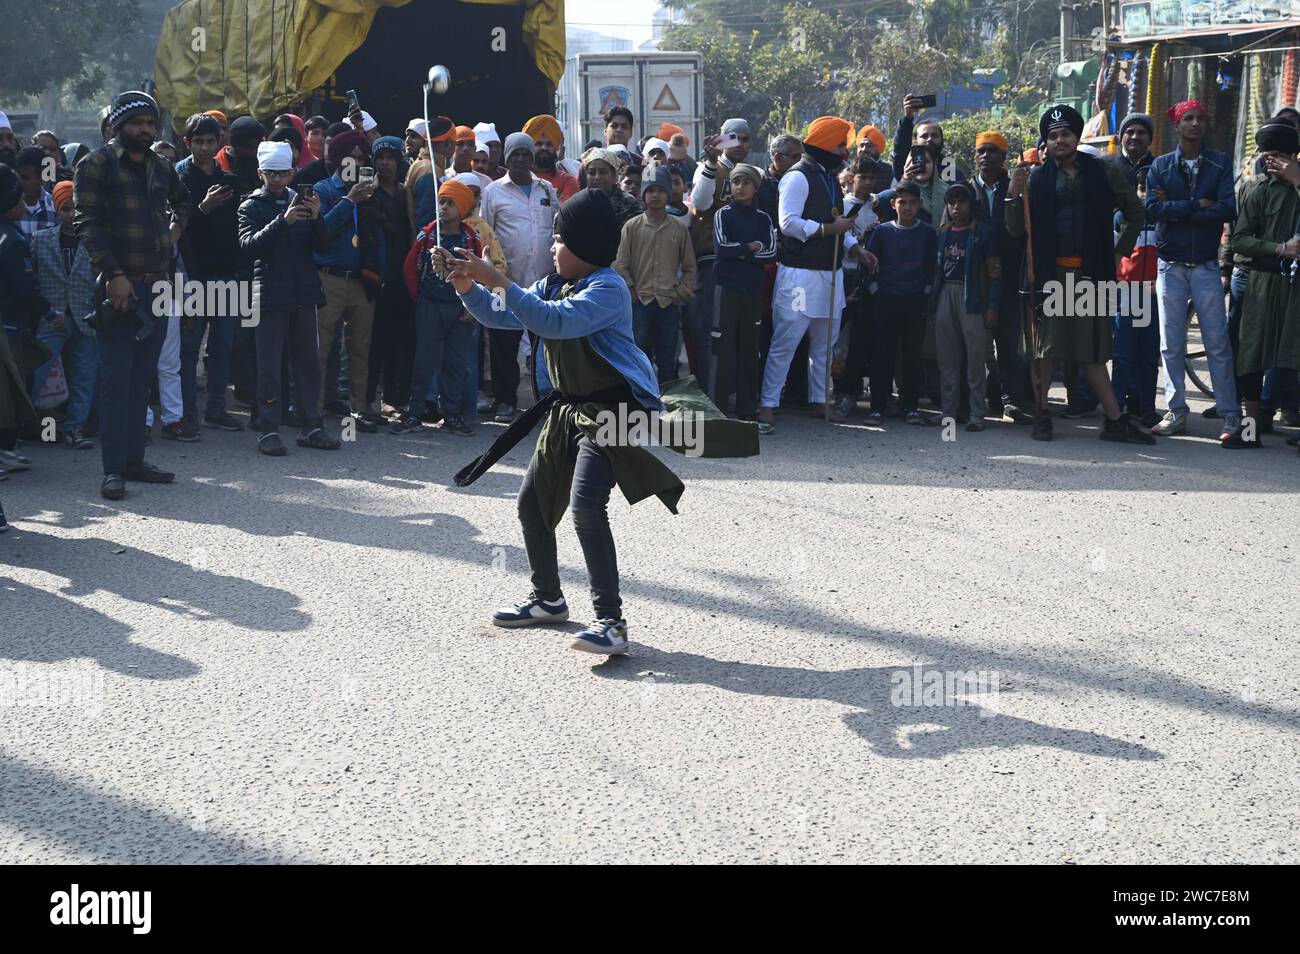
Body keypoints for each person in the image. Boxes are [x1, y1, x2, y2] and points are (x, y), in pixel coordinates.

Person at [443, 187, 756, 654]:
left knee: (587, 506)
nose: (552, 247)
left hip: (612, 413)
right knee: (532, 504)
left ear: (585, 246)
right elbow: (508, 316)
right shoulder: (552, 283)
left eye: (559, 239)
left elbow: (553, 323)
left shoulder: (608, 289)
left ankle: (611, 623)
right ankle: (548, 599)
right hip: (569, 410)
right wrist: (467, 284)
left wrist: (499, 279)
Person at [1005, 104, 1154, 445]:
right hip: (1048, 276)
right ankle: (1042, 417)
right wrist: (1014, 192)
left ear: (1077, 137)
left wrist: (1118, 253)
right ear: (1047, 143)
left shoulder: (1103, 171)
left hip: (1090, 274)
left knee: (1091, 353)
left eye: (1065, 134)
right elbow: (1016, 230)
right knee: (1044, 351)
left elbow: (1135, 212)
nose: (1059, 140)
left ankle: (1115, 422)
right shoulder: (1037, 177)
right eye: (1053, 136)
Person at [74, 90, 191, 499]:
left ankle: (135, 462)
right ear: (119, 125)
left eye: (150, 122)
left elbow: (183, 204)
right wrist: (113, 274)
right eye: (138, 122)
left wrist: (174, 231)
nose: (145, 129)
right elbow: (86, 222)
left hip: (158, 285)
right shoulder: (97, 164)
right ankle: (113, 470)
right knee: (116, 380)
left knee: (143, 380)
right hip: (118, 287)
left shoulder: (162, 167)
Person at [1144, 100, 1240, 440]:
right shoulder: (1161, 165)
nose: (1195, 124)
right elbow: (1153, 210)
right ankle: (1176, 410)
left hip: (1205, 264)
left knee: (1217, 342)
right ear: (1177, 125)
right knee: (1170, 343)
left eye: (1200, 118)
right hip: (1170, 263)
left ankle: (1231, 415)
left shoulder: (1219, 163)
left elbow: (1228, 209)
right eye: (1189, 118)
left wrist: (1179, 211)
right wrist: (1196, 206)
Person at [237, 140, 340, 455]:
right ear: (261, 174)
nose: (279, 180)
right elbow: (249, 246)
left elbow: (324, 247)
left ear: (293, 172)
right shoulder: (250, 206)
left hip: (304, 293)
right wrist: (283, 222)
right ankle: (268, 429)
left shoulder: (304, 201)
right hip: (268, 294)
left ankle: (312, 426)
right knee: (269, 367)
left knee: (308, 365)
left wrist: (319, 216)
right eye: (272, 174)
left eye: (284, 173)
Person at [757, 116, 860, 431]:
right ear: (826, 144)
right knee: (785, 343)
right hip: (799, 276)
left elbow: (839, 221)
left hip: (831, 275)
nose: (844, 152)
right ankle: (767, 406)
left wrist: (855, 247)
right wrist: (830, 230)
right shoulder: (797, 177)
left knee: (824, 346)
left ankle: (819, 401)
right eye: (841, 145)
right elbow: (788, 224)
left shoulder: (828, 176)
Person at [1227, 121, 1300, 452]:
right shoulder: (1255, 189)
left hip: (1294, 283)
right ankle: (1250, 429)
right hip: (1261, 280)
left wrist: (1298, 180)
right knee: (1251, 358)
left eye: (1282, 157)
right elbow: (1240, 238)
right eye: (1270, 156)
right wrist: (1279, 248)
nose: (1275, 164)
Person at [479, 133, 559, 422]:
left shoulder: (546, 189)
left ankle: (546, 402)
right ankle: (505, 400)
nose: (521, 159)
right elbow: (485, 233)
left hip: (543, 281)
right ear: (507, 159)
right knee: (503, 340)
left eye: (526, 154)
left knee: (544, 345)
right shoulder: (494, 192)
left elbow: (556, 228)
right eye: (515, 155)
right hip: (506, 280)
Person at [394, 179, 481, 436]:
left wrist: (474, 307)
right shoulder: (427, 235)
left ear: (463, 209)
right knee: (424, 359)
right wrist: (419, 298)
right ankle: (415, 411)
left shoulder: (471, 238)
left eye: (450, 203)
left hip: (460, 308)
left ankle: (451, 414)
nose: (443, 208)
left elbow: (480, 273)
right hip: (430, 305)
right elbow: (410, 268)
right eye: (441, 202)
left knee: (456, 362)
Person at [175, 112, 243, 431]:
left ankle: (216, 408)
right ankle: (187, 411)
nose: (204, 147)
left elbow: (237, 232)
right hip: (190, 276)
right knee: (188, 348)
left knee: (223, 346)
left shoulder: (229, 181)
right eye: (197, 141)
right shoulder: (178, 179)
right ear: (187, 143)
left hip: (226, 274)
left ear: (220, 142)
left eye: (210, 141)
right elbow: (177, 231)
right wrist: (203, 208)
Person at [313, 130, 385, 431]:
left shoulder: (371, 192)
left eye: (360, 157)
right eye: (350, 156)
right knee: (320, 348)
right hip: (328, 277)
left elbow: (378, 236)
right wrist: (348, 200)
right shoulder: (323, 189)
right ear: (337, 159)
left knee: (360, 349)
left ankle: (359, 409)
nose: (356, 162)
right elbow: (320, 232)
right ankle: (312, 409)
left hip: (361, 280)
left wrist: (379, 274)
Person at [613, 163, 697, 384]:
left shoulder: (679, 229)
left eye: (661, 190)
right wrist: (631, 292)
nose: (656, 195)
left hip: (667, 304)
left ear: (668, 194)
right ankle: (637, 406)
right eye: (650, 190)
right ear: (643, 194)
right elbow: (620, 264)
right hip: (639, 304)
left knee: (668, 361)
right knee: (637, 359)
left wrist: (680, 291)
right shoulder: (632, 227)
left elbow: (690, 267)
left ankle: (666, 410)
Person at [29, 180, 97, 449]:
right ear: (57, 210)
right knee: (37, 373)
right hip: (51, 317)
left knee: (84, 376)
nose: (71, 214)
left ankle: (75, 429)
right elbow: (30, 280)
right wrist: (42, 311)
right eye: (65, 208)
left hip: (86, 317)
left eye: (76, 209)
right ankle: (26, 425)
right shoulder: (40, 239)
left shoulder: (94, 241)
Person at [862, 180, 936, 425]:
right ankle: (877, 407)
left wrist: (925, 292)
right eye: (902, 202)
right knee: (883, 353)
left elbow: (931, 268)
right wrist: (876, 291)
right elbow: (870, 265)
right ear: (893, 204)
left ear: (920, 205)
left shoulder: (927, 232)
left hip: (915, 301)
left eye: (912, 203)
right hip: (886, 301)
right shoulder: (882, 232)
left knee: (912, 355)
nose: (907, 207)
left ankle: (910, 406)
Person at [969, 130, 1031, 423]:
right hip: (976, 279)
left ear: (1004, 158)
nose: (986, 156)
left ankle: (1012, 400)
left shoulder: (1016, 186)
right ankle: (973, 400)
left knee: (1009, 344)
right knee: (974, 343)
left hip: (1009, 276)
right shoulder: (966, 191)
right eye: (981, 151)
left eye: (992, 151)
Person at [687, 118, 752, 393]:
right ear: (722, 140)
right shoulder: (708, 168)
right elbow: (700, 203)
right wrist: (711, 164)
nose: (739, 144)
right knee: (708, 331)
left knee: (737, 332)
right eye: (733, 138)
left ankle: (730, 392)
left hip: (744, 261)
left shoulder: (751, 174)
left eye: (744, 138)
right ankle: (708, 393)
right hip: (712, 259)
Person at [930, 182, 1001, 430]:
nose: (956, 207)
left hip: (973, 298)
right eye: (952, 203)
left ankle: (976, 414)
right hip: (944, 296)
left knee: (975, 360)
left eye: (962, 202)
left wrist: (992, 306)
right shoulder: (942, 234)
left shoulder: (984, 233)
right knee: (947, 360)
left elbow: (995, 273)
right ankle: (948, 412)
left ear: (972, 205)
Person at [711, 162, 776, 422]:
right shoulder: (723, 214)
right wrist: (751, 248)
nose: (740, 187)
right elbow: (721, 250)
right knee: (722, 347)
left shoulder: (764, 219)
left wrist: (740, 252)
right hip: (727, 288)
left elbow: (771, 253)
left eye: (746, 182)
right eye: (736, 182)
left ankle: (748, 407)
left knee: (750, 348)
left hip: (752, 290)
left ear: (755, 188)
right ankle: (719, 408)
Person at [0, 163, 49, 480]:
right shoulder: (13, 242)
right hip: (10, 328)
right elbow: (24, 289)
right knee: (9, 390)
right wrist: (49, 313)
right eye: (18, 199)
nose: (23, 205)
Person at [365, 135, 414, 415]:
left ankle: (393, 397)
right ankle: (367, 397)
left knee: (400, 340)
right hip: (375, 277)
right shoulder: (368, 193)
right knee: (375, 342)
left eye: (391, 158)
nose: (385, 163)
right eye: (380, 158)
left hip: (402, 276)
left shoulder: (405, 193)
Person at [1112, 168, 1162, 428]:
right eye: (1138, 188)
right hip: (1126, 294)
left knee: (1149, 354)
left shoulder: (1161, 218)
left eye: (1148, 189)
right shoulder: (1120, 218)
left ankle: (1147, 408)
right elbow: (1113, 257)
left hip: (1154, 295)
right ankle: (1116, 408)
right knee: (1124, 353)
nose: (1143, 194)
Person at [522, 115, 580, 201]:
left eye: (549, 144)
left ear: (556, 147)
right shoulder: (516, 179)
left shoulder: (567, 181)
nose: (544, 148)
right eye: (538, 144)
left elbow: (565, 212)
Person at [579, 147, 641, 226]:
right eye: (592, 173)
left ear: (615, 176)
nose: (597, 177)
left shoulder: (629, 203)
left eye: (603, 172)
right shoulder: (578, 203)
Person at [13, 147, 56, 239]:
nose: (19, 181)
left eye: (25, 177)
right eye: (17, 176)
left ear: (42, 179)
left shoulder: (55, 206)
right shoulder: (9, 207)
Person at [1113, 113, 1155, 189]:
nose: (1135, 137)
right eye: (1130, 132)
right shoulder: (1106, 165)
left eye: (1141, 132)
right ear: (1121, 137)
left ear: (1150, 139)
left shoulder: (1158, 167)